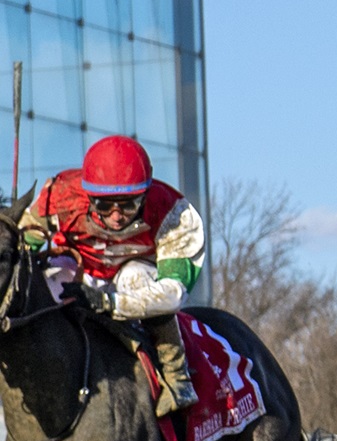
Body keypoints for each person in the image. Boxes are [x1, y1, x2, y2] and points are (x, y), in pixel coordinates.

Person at [21, 135, 205, 417]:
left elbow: (173, 292)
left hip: (135, 273)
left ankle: (176, 375)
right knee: (49, 277)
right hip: (81, 268)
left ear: (146, 194)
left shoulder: (174, 213)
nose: (117, 216)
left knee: (137, 279)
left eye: (128, 205)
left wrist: (109, 302)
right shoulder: (60, 194)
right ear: (88, 195)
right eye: (105, 206)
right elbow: (23, 240)